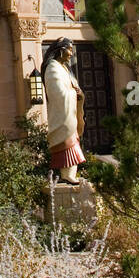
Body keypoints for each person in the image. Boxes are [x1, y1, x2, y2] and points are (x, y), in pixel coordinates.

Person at [41, 38, 85, 185]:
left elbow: (71, 86)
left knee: (73, 144)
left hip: (70, 114)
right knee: (67, 145)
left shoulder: (65, 68)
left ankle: (69, 175)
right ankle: (66, 175)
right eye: (69, 49)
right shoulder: (52, 68)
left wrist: (78, 93)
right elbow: (58, 93)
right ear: (61, 49)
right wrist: (73, 93)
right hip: (62, 115)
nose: (71, 54)